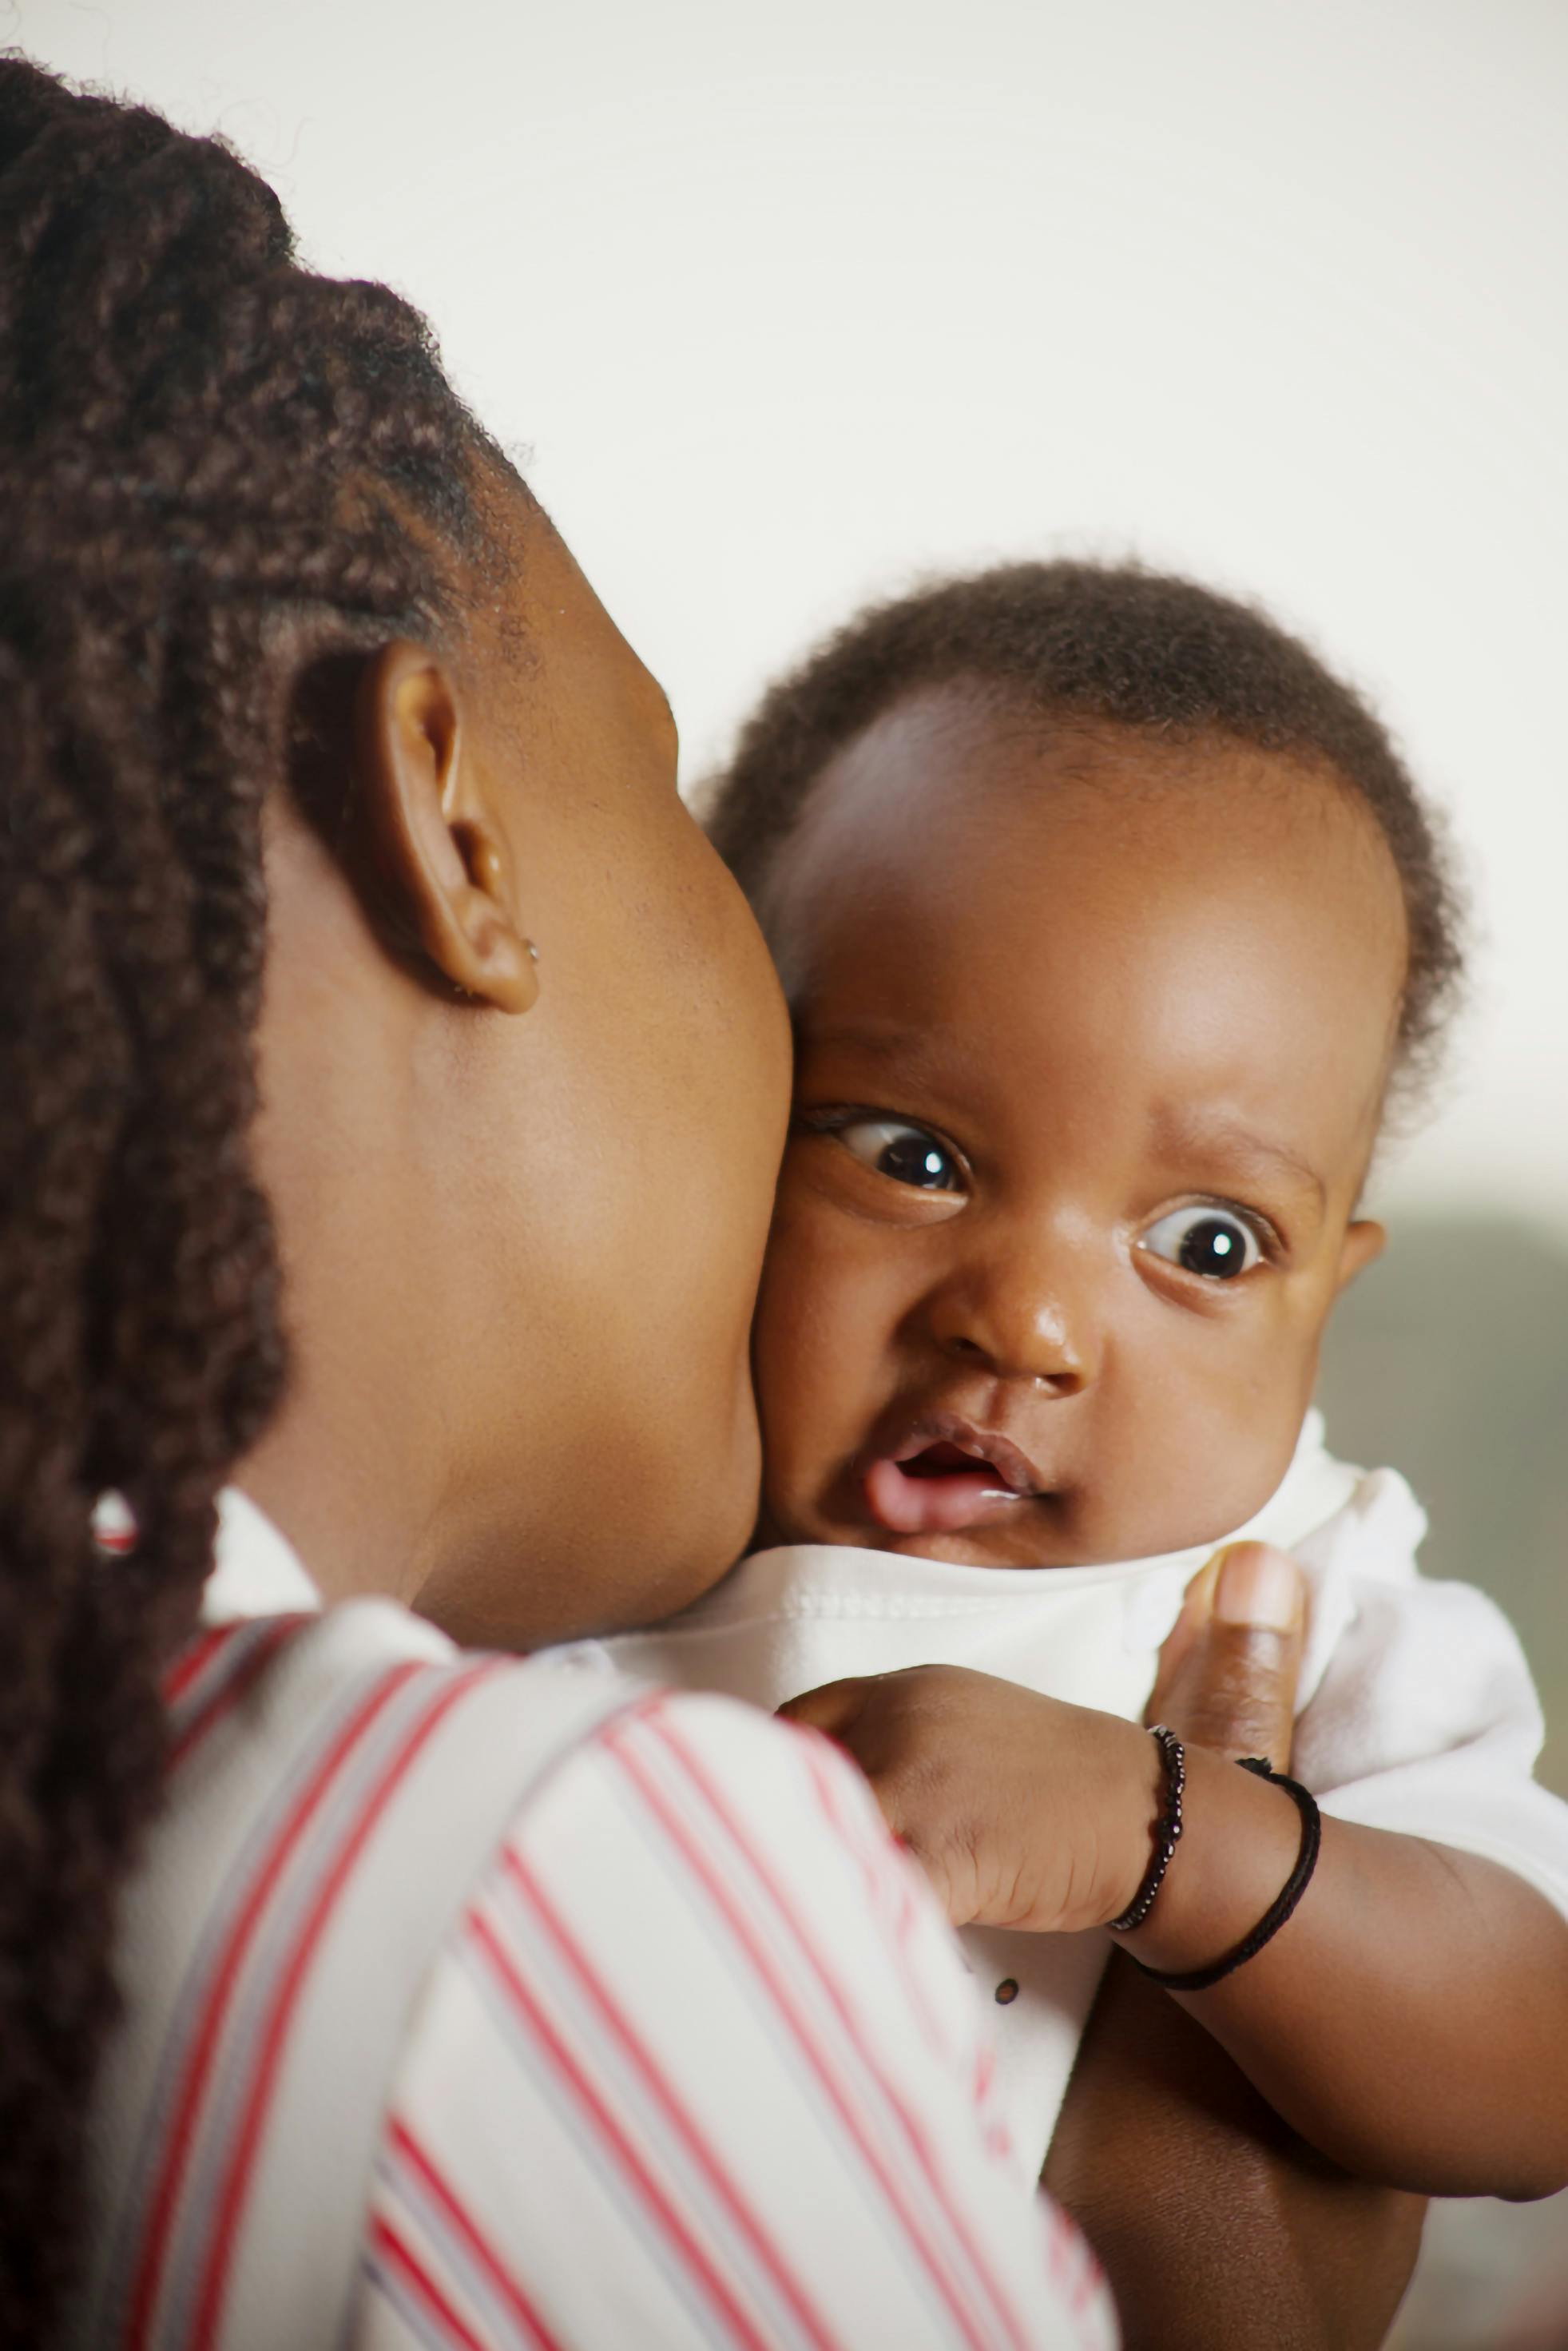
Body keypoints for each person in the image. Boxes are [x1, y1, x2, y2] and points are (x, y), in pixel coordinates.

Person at [0, 59, 1417, 2351]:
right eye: (658, 786)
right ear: (451, 829)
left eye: (1208, 1240)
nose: (1026, 1317)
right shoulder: (528, 1886)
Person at [600, 562, 1568, 2210]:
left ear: (1328, 1299)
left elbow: (1534, 2065)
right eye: (913, 1155)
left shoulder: (1300, 1599)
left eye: (1205, 1240)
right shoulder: (577, 1521)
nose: (1029, 1325)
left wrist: (1163, 1834)